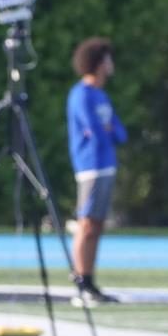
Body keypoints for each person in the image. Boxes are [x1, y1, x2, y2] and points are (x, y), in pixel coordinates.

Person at [67, 36, 127, 306]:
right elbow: (95, 131)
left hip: (107, 164)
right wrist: (107, 132)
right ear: (97, 63)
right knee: (87, 224)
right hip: (90, 165)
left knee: (98, 225)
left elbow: (119, 132)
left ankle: (90, 280)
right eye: (107, 59)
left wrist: (109, 131)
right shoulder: (81, 94)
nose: (111, 64)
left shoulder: (102, 95)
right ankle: (80, 281)